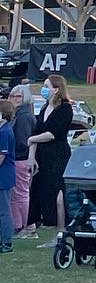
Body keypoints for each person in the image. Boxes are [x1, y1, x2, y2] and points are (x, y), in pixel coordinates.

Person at [26, 72, 76, 236]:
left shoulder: (65, 108)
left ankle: (61, 229)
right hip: (42, 155)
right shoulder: (45, 107)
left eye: (46, 86)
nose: (43, 89)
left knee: (58, 192)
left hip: (57, 155)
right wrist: (31, 156)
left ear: (56, 89)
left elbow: (53, 133)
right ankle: (35, 225)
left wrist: (32, 139)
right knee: (41, 190)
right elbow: (37, 133)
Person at [7, 83, 35, 237]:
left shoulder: (23, 117)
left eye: (18, 96)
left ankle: (27, 226)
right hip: (17, 159)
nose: (14, 98)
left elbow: (24, 141)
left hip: (20, 159)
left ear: (25, 98)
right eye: (12, 95)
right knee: (16, 194)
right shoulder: (17, 114)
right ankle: (18, 225)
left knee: (21, 194)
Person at [0, 99, 15, 253]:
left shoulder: (5, 132)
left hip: (3, 177)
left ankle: (7, 242)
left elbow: (1, 156)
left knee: (4, 211)